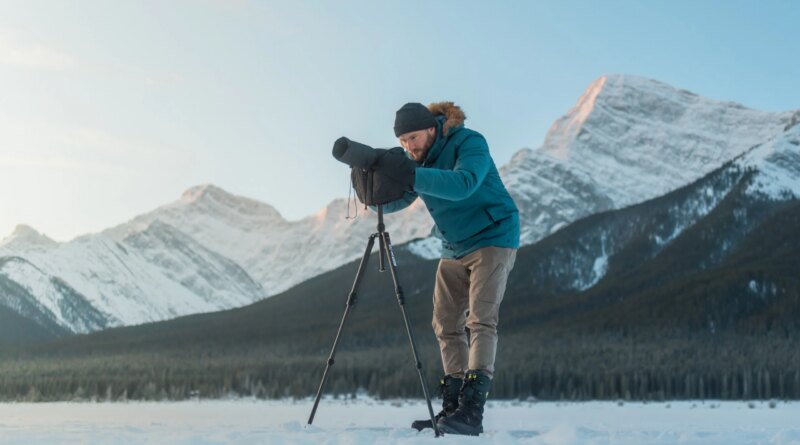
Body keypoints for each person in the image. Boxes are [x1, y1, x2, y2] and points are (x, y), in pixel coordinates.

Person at [377, 102, 520, 436]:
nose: (409, 147)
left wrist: (411, 174)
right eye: (403, 142)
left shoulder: (469, 142)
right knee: (445, 324)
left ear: (432, 128)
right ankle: (453, 407)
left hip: (493, 235)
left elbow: (464, 183)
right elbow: (399, 199)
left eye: (412, 138)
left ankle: (472, 411)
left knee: (480, 320)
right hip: (453, 245)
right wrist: (371, 190)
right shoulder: (419, 162)